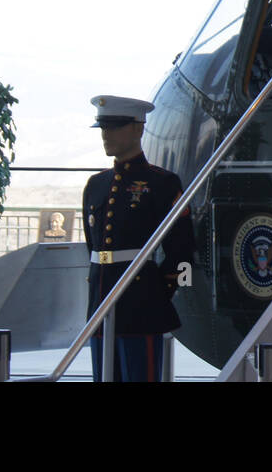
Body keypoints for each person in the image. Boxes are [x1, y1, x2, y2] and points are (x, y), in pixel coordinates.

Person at [83, 95, 195, 382]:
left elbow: (181, 245)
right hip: (100, 298)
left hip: (140, 301)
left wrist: (160, 289)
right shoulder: (96, 185)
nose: (106, 135)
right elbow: (92, 245)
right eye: (103, 127)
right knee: (104, 376)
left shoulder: (162, 183)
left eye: (114, 127)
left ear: (137, 128)